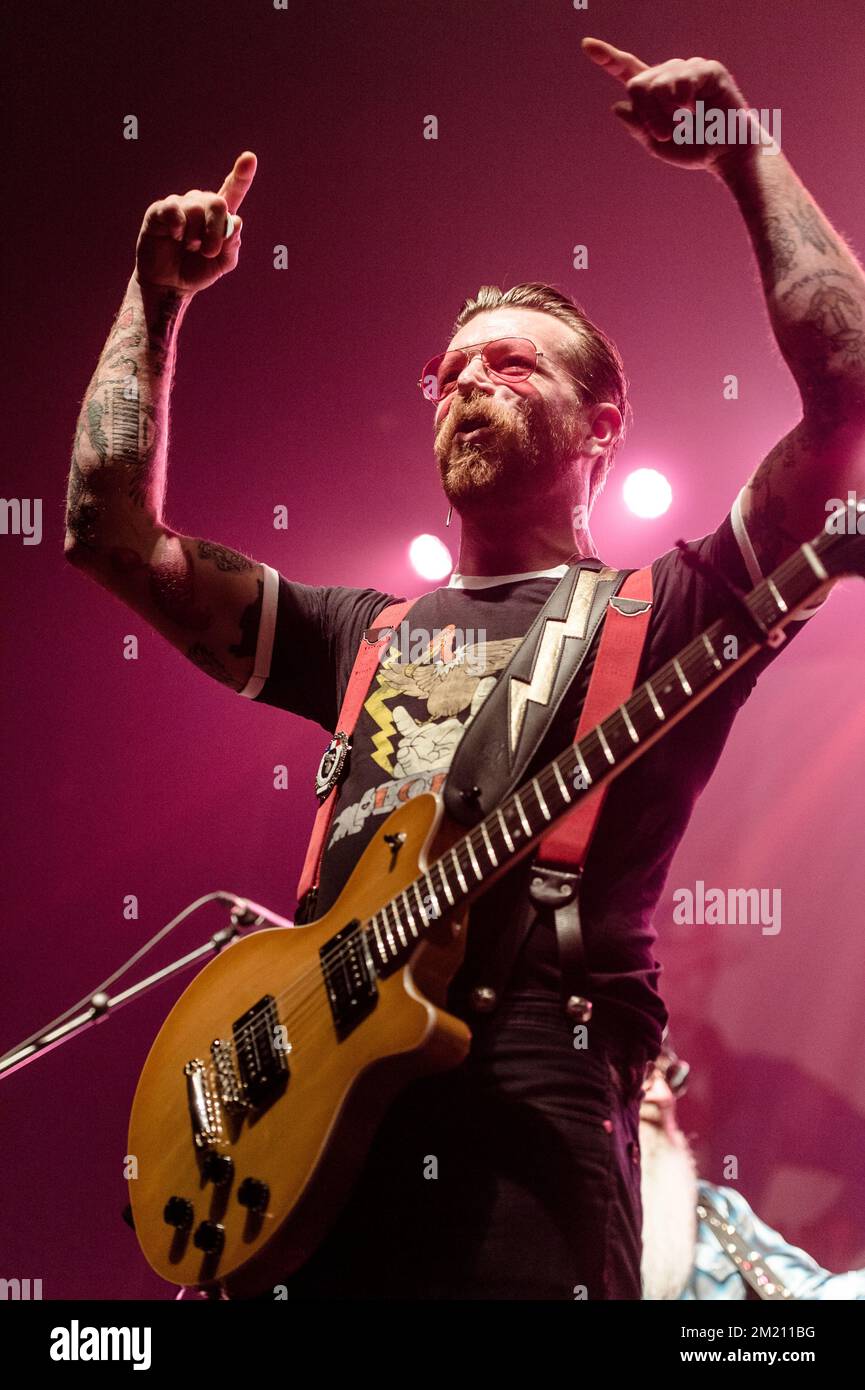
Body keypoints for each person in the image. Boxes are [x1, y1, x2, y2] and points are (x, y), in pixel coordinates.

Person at [63, 37, 865, 1300]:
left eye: (509, 362)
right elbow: (104, 532)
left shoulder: (672, 608)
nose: (464, 385)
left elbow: (848, 388)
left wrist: (743, 150)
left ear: (605, 426)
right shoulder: (360, 633)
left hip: (531, 1090)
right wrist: (155, 298)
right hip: (305, 1101)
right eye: (449, 370)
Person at [639, 1043, 865, 1300]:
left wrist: (831, 1235)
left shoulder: (714, 1211)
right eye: (641, 1072)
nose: (659, 1093)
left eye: (665, 1071)